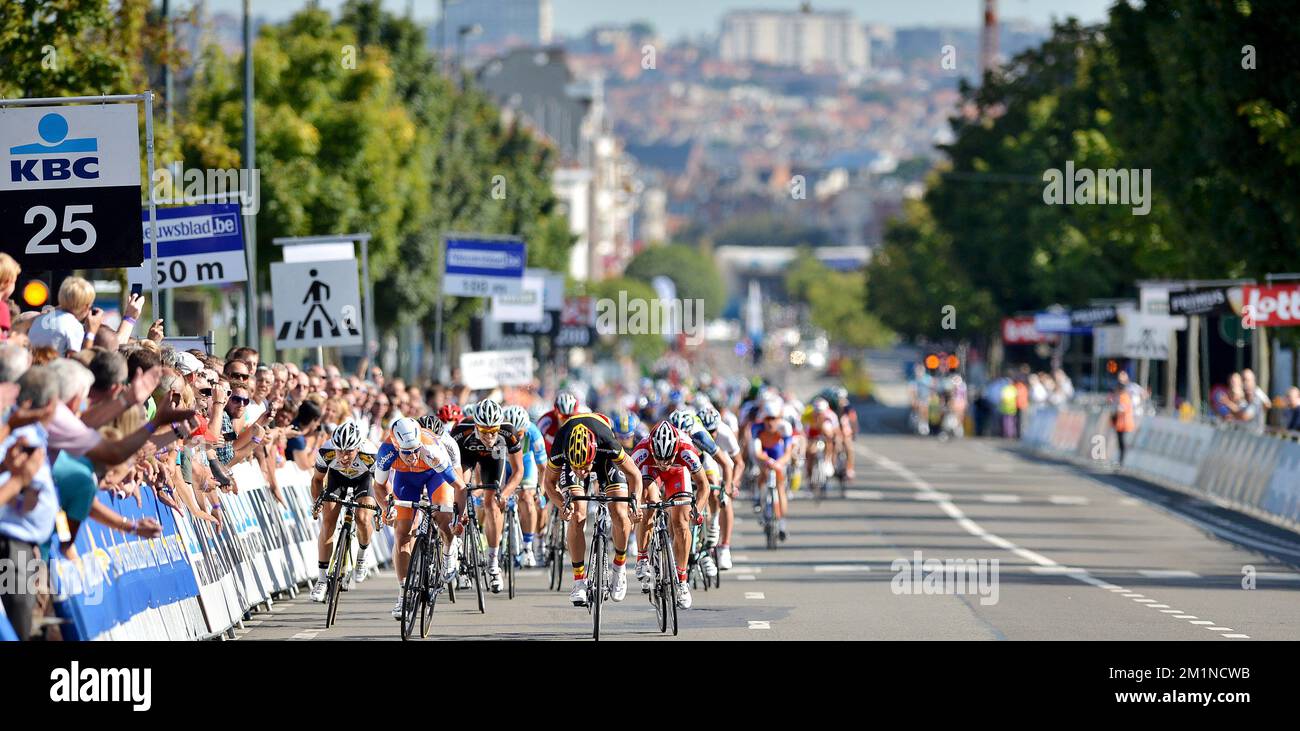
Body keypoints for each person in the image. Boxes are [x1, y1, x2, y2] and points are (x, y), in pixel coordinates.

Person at [541, 409, 643, 606]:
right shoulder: (560, 446)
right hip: (572, 449)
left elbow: (635, 476)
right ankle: (579, 582)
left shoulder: (608, 444)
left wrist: (634, 502)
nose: (581, 472)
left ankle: (619, 568)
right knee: (577, 515)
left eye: (585, 467)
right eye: (576, 467)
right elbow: (548, 484)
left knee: (620, 512)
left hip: (604, 460)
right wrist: (562, 504)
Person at [373, 417, 466, 619]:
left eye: (416, 450)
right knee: (402, 534)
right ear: (397, 447)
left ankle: (449, 551)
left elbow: (460, 487)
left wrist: (457, 518)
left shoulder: (431, 449)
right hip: (405, 480)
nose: (413, 456)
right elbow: (378, 486)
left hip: (435, 475)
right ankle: (403, 594)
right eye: (406, 452)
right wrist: (385, 507)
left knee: (443, 517)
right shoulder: (386, 451)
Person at [632, 420, 708, 609]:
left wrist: (698, 509)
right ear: (651, 448)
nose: (664, 463)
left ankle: (682, 581)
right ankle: (642, 558)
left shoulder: (686, 450)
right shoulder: (642, 451)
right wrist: (633, 508)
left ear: (675, 450)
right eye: (660, 458)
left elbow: (704, 486)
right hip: (649, 472)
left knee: (681, 522)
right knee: (648, 505)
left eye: (667, 459)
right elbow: (631, 482)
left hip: (678, 472)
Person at [308, 420, 380, 602]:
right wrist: (317, 503)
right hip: (336, 480)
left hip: (363, 480)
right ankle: (322, 579)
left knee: (363, 518)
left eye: (349, 451)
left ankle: (362, 555)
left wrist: (381, 507)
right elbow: (317, 480)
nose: (344, 456)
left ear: (358, 447)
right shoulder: (326, 452)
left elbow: (380, 484)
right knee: (327, 523)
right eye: (340, 450)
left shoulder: (369, 454)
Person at [1111, 371, 1137, 465]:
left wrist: (1115, 413)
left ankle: (1122, 461)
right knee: (1120, 443)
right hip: (1121, 424)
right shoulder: (1120, 396)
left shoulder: (1124, 396)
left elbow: (1121, 409)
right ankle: (1120, 460)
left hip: (1125, 424)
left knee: (1122, 443)